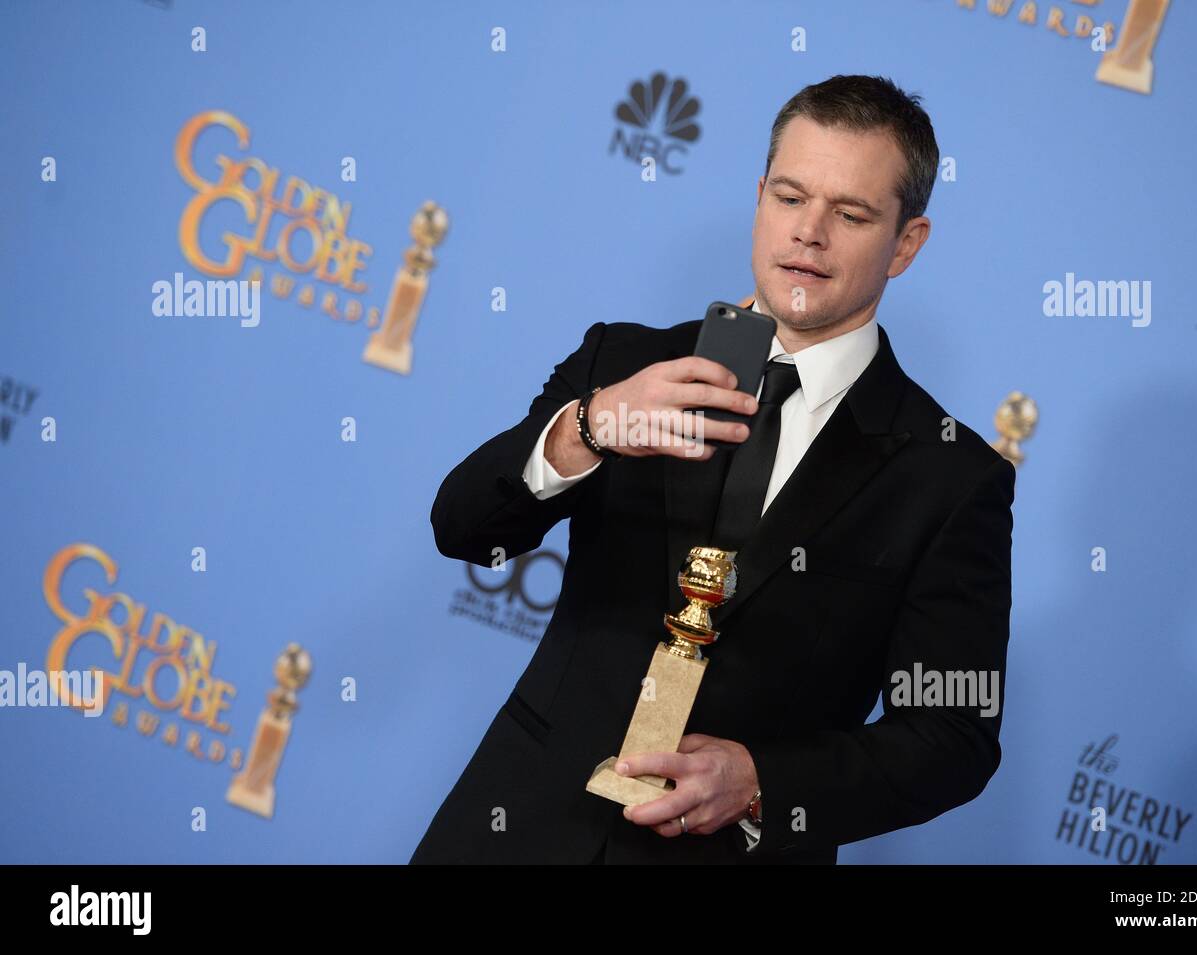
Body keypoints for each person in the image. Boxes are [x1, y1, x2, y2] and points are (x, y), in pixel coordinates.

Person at [411, 74, 1014, 865]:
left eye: (852, 213)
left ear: (907, 241)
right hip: (516, 829)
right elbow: (463, 527)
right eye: (791, 198)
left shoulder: (949, 473)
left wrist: (765, 778)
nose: (809, 233)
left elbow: (951, 734)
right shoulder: (624, 362)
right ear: (760, 195)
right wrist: (588, 429)